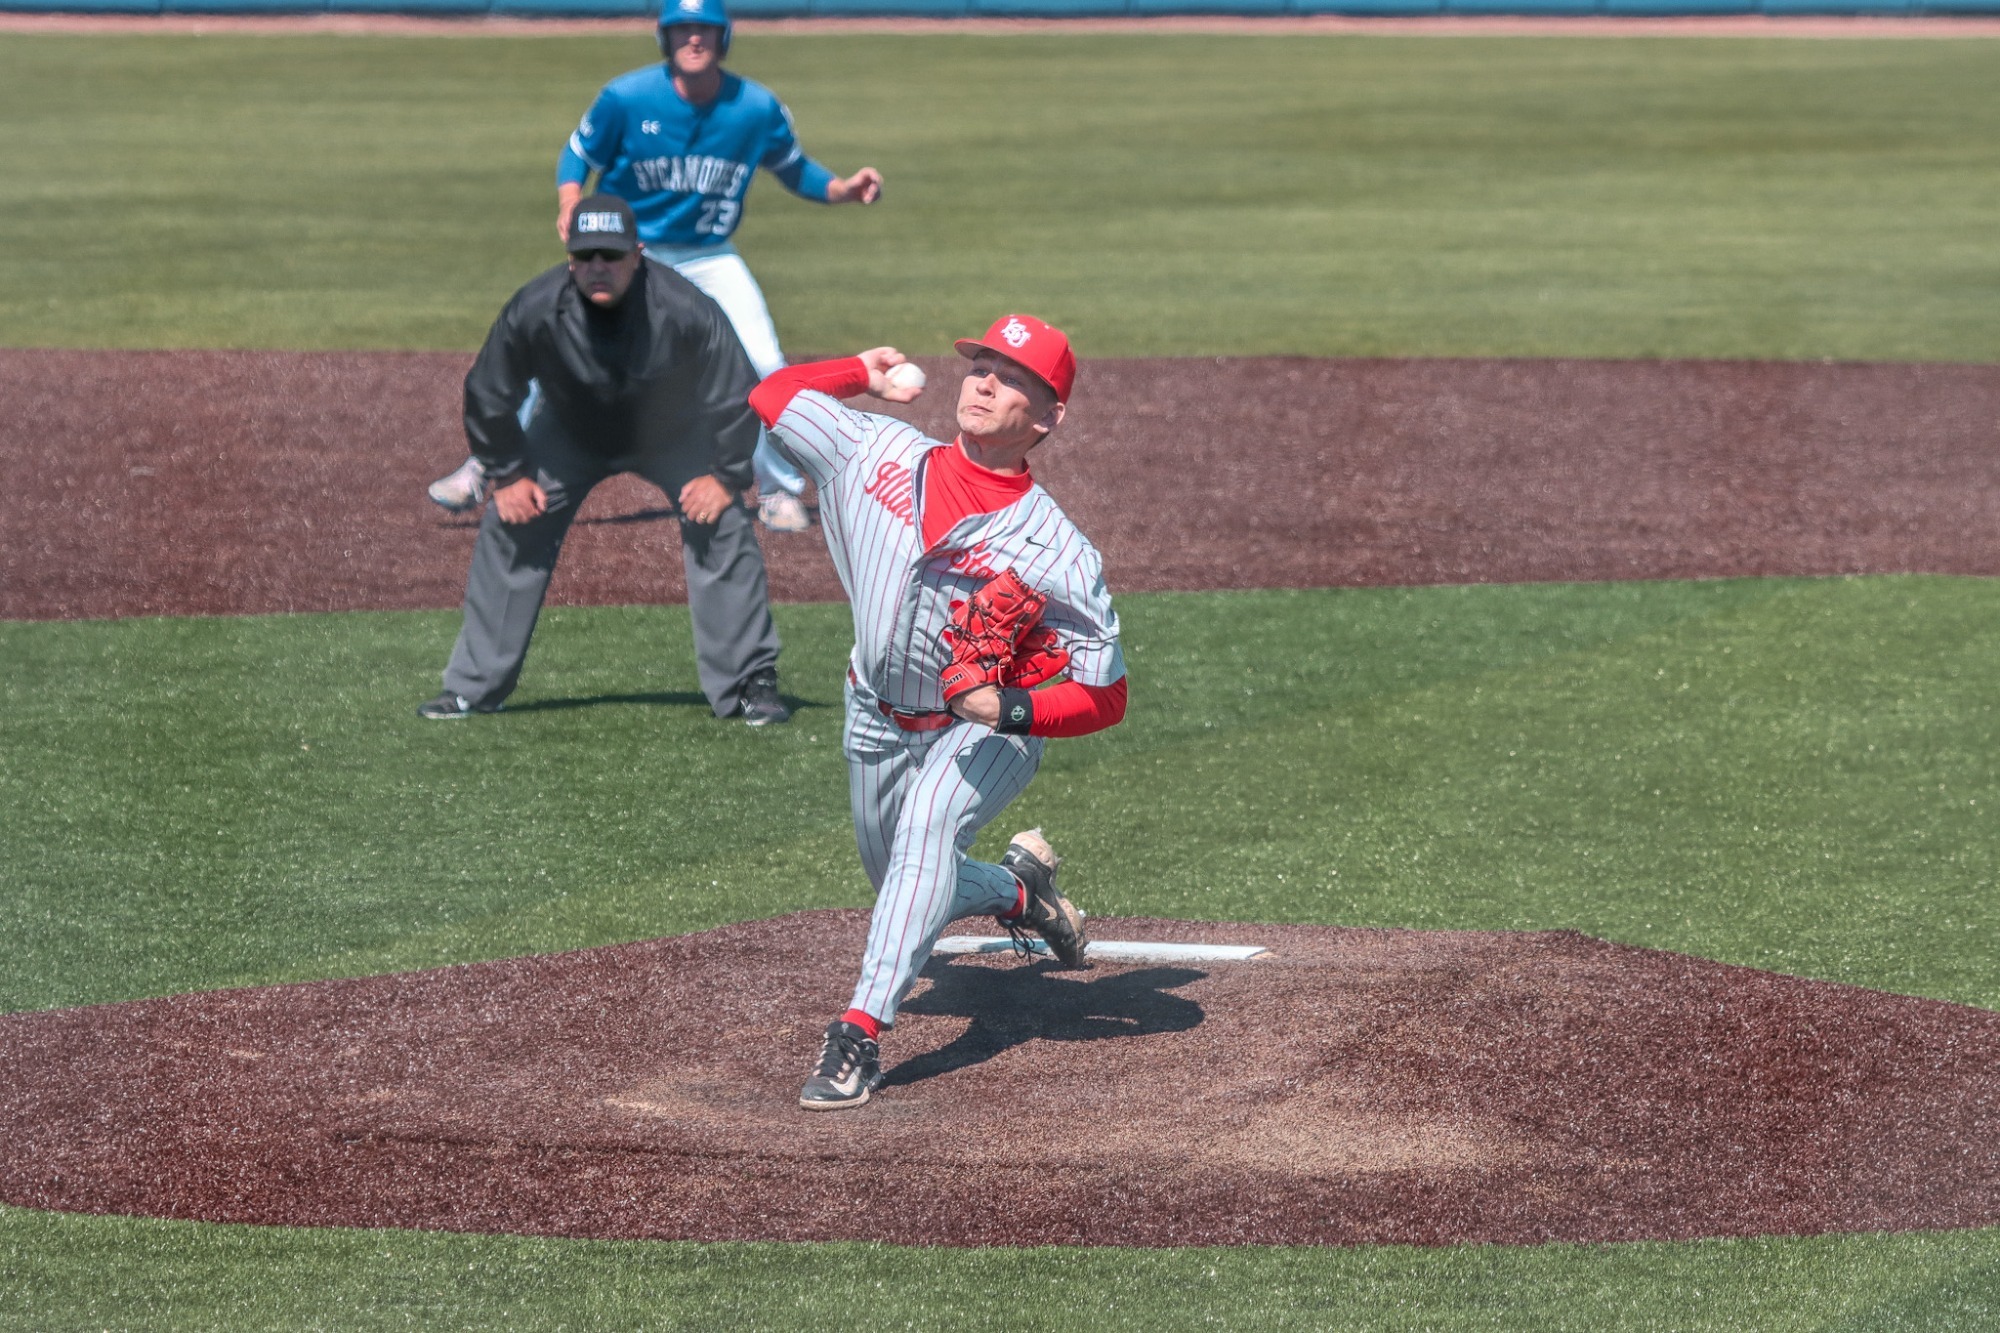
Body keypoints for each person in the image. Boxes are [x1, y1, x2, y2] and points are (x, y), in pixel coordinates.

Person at [748, 315, 1129, 1111]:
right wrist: (859, 369)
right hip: (874, 712)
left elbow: (1105, 694)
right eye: (981, 365)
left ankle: (858, 1032)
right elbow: (774, 396)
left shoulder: (1060, 550)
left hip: (983, 731)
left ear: (1049, 415)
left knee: (925, 832)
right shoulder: (874, 449)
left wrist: (1011, 705)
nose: (985, 382)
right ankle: (1019, 890)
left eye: (1012, 376)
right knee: (902, 884)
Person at [426, 0, 884, 536]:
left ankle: (780, 489)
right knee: (548, 352)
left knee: (763, 364)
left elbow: (794, 168)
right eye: (682, 30)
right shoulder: (626, 97)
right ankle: (486, 465)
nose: (694, 40)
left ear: (723, 37)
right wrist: (569, 199)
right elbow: (578, 153)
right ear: (665, 38)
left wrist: (842, 190)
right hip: (625, 256)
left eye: (704, 30)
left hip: (711, 255)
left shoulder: (755, 107)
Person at [418, 194, 790, 727]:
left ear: (638, 254)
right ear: (570, 257)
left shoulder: (683, 306)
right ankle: (473, 688)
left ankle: (750, 684)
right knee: (514, 519)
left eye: (611, 256)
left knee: (721, 521)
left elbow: (736, 392)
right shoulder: (538, 306)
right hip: (570, 432)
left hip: (674, 433)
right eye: (586, 255)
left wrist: (725, 477)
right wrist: (506, 474)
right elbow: (488, 389)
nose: (598, 266)